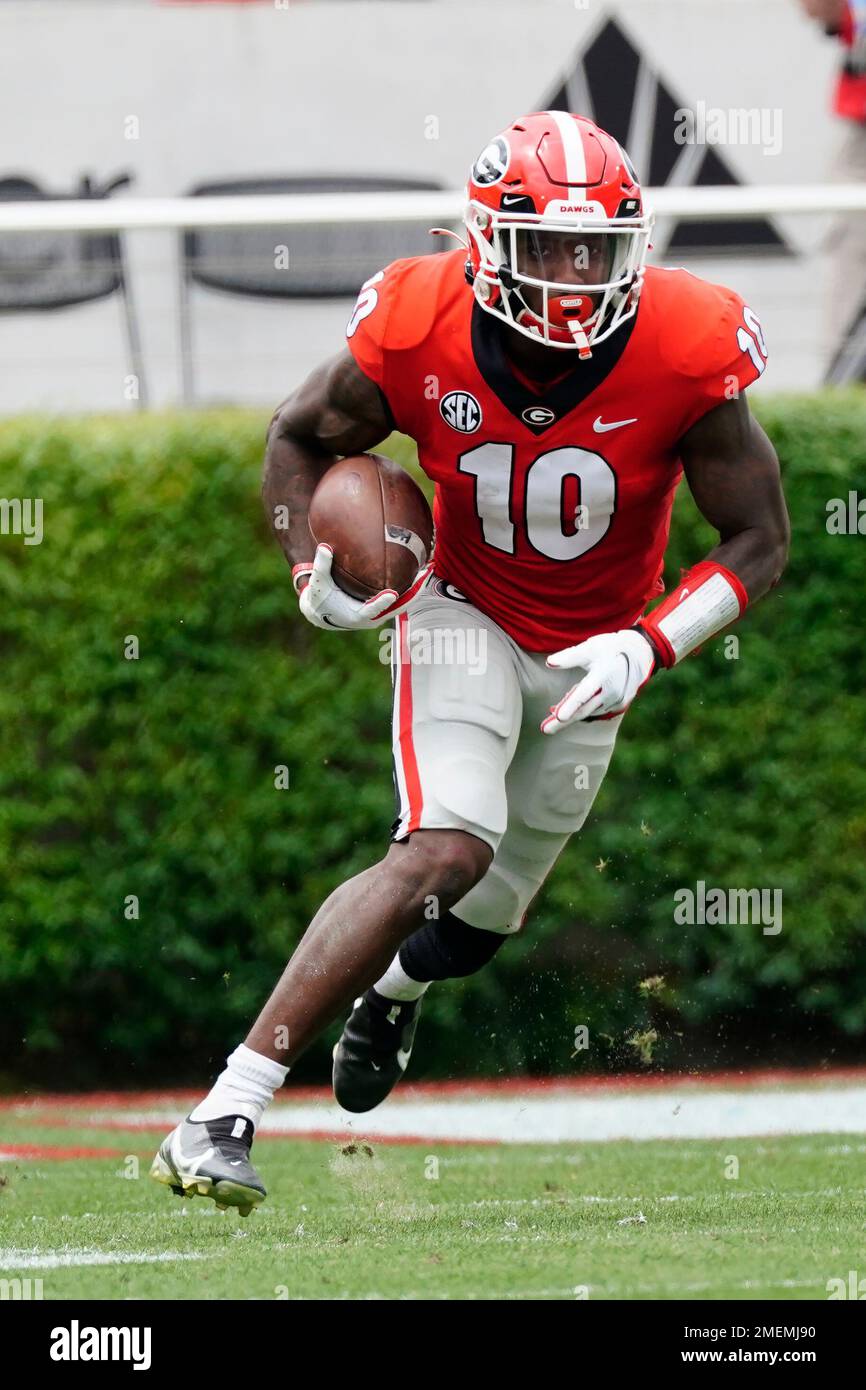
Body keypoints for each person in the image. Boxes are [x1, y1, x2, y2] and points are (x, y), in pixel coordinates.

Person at [150, 112, 790, 1215]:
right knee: (443, 846)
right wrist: (311, 569)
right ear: (489, 242)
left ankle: (393, 991)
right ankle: (224, 1109)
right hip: (462, 611)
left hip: (598, 643)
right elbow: (300, 437)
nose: (575, 275)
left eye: (597, 247)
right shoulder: (414, 319)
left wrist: (647, 643)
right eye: (547, 246)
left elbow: (760, 539)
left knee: (478, 926)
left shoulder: (687, 338)